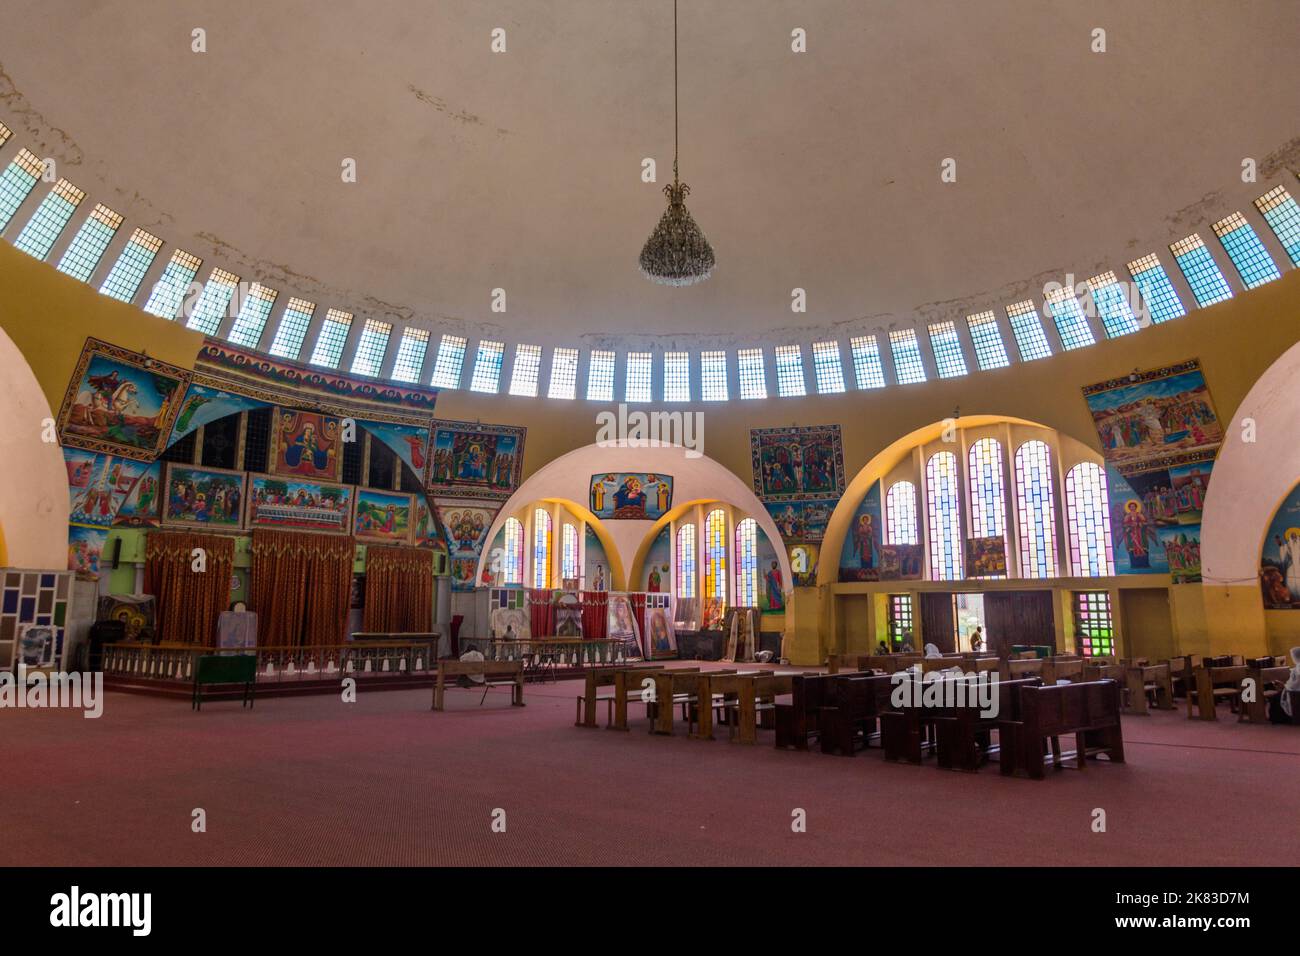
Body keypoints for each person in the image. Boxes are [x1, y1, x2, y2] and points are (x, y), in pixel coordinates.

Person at [1269, 647, 1300, 723]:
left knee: (1275, 698)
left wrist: (1284, 686)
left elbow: (1294, 686)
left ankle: (1280, 719)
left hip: (1296, 695)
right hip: (1295, 692)